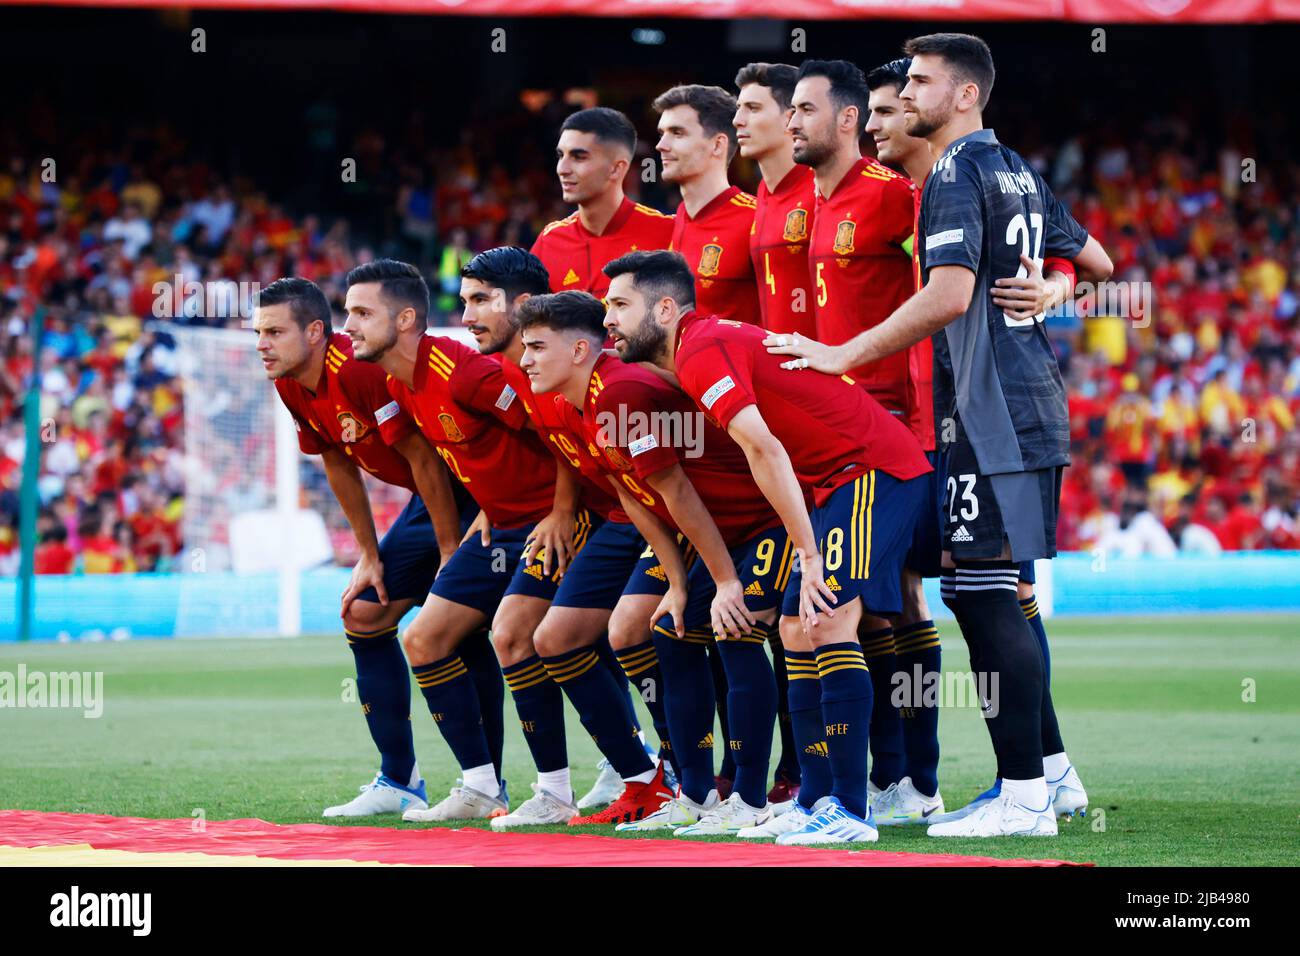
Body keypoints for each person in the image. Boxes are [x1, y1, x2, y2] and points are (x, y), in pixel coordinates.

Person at [768, 34, 1112, 836]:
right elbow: (1093, 262)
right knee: (986, 593)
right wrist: (1052, 289)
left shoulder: (956, 173)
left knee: (989, 598)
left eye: (919, 83)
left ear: (964, 95)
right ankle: (1044, 778)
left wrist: (842, 352)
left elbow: (951, 296)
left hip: (992, 413)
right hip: (1008, 409)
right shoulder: (1016, 168)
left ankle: (1024, 795)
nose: (908, 94)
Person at [602, 249, 931, 844]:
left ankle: (852, 812)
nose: (610, 320)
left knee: (825, 618)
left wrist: (807, 555)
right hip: (840, 480)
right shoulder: (703, 346)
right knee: (795, 631)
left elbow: (764, 449)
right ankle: (816, 796)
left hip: (871, 470)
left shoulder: (701, 350)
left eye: (621, 305)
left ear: (667, 309)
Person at [254, 276, 481, 818]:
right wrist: (369, 553)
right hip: (430, 501)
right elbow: (337, 461)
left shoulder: (357, 370)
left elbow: (426, 456)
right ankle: (400, 778)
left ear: (314, 332)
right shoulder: (290, 382)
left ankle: (619, 760)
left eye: (274, 332)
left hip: (470, 488)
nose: (261, 343)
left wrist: (450, 553)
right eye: (258, 332)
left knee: (507, 628)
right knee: (363, 613)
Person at [344, 258, 559, 822]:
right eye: (348, 313)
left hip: (553, 520)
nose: (350, 327)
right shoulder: (397, 381)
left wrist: (562, 512)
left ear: (407, 318)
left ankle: (619, 770)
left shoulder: (468, 373)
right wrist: (484, 510)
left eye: (362, 313)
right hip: (498, 525)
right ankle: (482, 785)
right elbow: (452, 460)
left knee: (563, 636)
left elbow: (556, 431)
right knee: (424, 639)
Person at [531, 108, 674, 298]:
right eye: (560, 156)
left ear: (616, 169)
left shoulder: (667, 234)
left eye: (578, 157)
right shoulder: (550, 241)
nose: (562, 169)